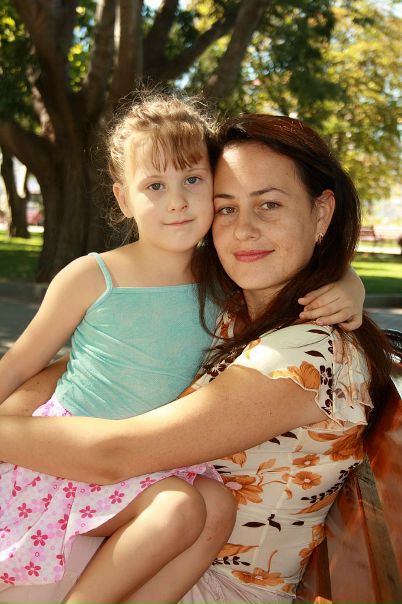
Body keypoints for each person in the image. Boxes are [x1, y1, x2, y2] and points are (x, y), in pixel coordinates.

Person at [0, 110, 374, 604]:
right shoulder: (229, 300)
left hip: (200, 558)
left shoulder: (297, 351)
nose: (243, 230)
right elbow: (65, 364)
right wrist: (345, 279)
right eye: (228, 208)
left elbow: (114, 456)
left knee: (198, 506)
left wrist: (348, 281)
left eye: (269, 205)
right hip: (118, 494)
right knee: (194, 506)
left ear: (321, 213)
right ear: (124, 198)